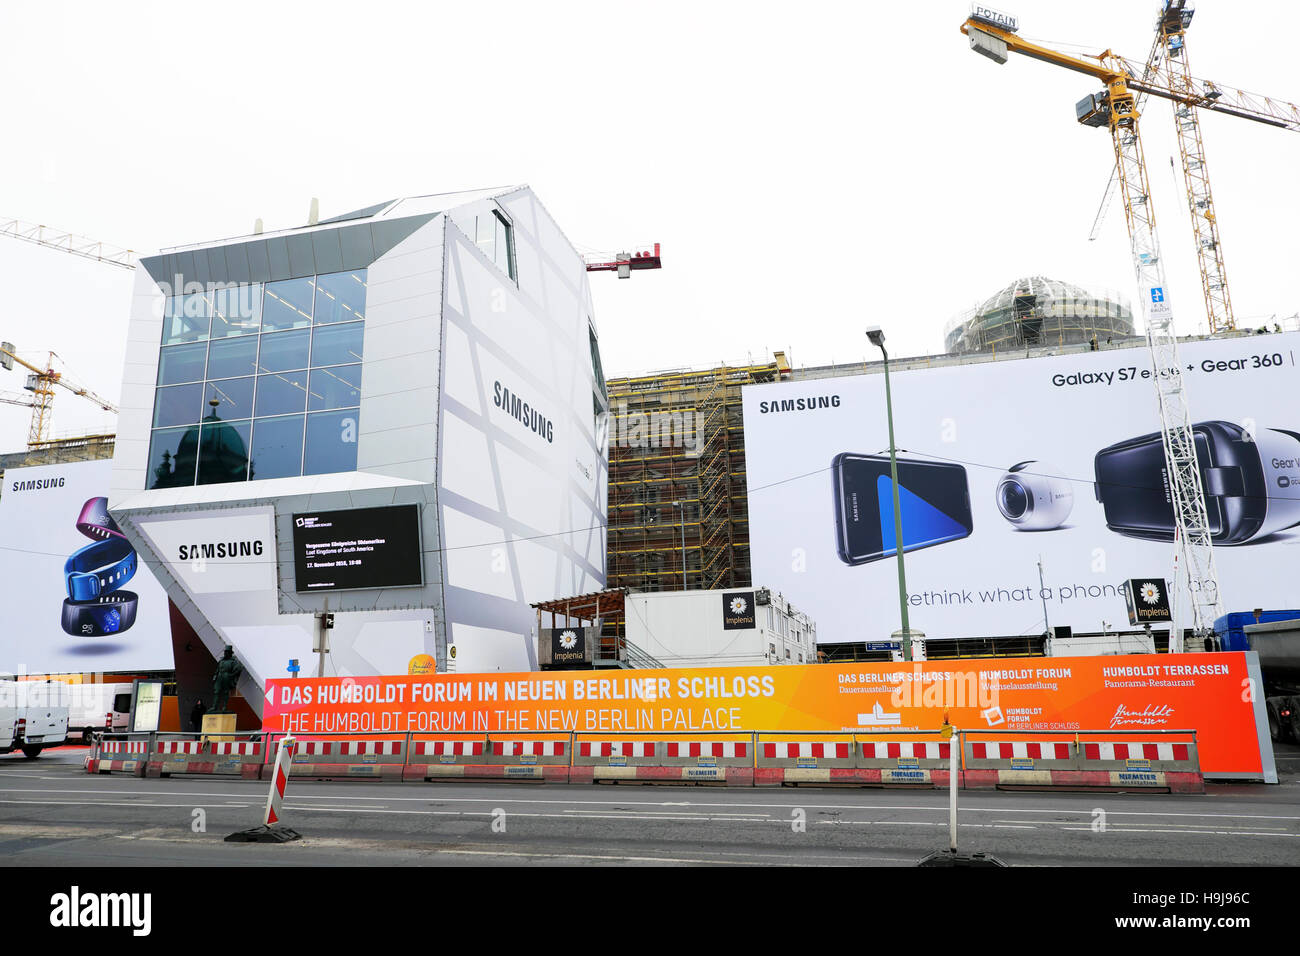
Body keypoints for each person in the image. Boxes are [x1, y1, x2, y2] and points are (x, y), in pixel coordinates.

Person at [212, 646, 243, 713]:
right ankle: (214, 707)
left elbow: (239, 669)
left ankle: (224, 706)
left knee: (225, 692)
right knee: (217, 691)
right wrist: (215, 676)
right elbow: (217, 669)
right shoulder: (221, 660)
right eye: (225, 652)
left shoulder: (233, 661)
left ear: (230, 653)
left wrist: (231, 675)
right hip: (219, 676)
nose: (225, 653)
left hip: (227, 677)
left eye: (227, 652)